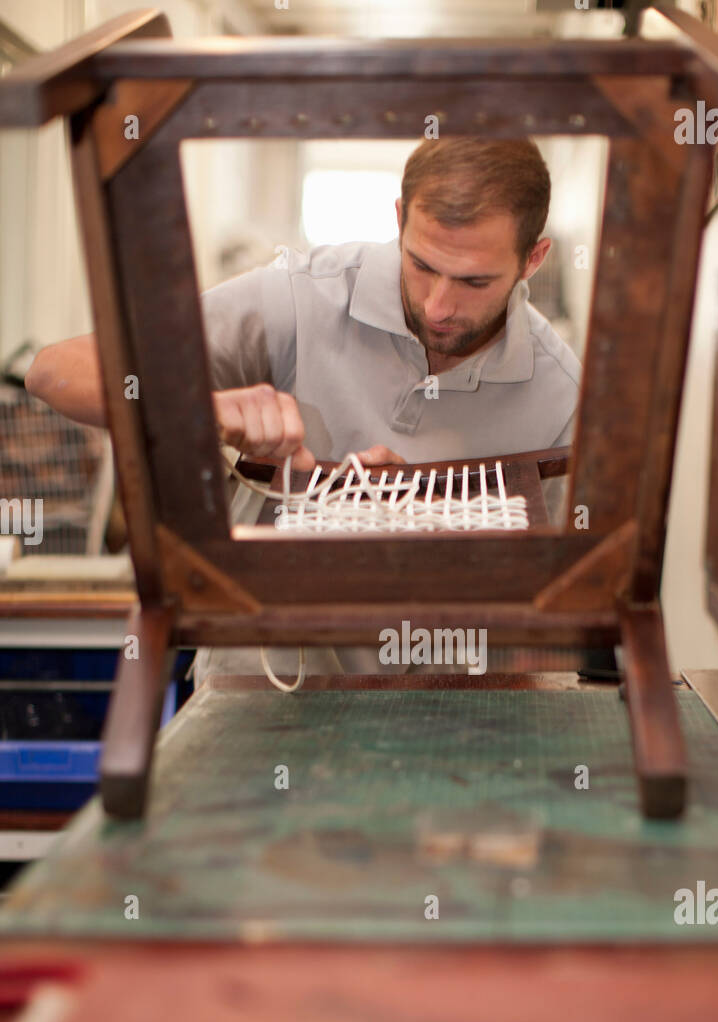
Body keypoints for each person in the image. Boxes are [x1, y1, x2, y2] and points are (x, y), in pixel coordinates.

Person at [26, 137, 581, 681]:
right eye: (422, 264)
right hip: (262, 693)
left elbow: (549, 615)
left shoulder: (561, 399)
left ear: (533, 258)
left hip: (445, 710)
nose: (439, 306)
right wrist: (201, 408)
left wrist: (418, 520)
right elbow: (55, 371)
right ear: (398, 218)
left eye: (474, 281)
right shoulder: (300, 300)